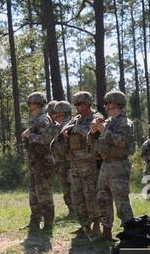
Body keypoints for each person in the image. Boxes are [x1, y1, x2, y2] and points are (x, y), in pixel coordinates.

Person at [90, 89, 134, 241]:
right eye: (106, 103)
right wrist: (93, 131)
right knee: (102, 198)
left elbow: (123, 142)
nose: (106, 106)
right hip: (105, 164)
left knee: (121, 201)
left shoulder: (125, 123)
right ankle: (106, 233)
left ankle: (130, 235)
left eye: (109, 103)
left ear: (118, 104)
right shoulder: (107, 122)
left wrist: (103, 131)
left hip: (119, 164)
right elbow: (94, 142)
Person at [63, 91, 100, 241]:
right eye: (76, 104)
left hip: (89, 164)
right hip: (75, 164)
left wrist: (77, 129)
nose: (78, 107)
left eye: (80, 104)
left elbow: (94, 132)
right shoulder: (75, 119)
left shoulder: (96, 118)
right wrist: (65, 131)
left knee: (91, 196)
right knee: (76, 197)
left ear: (88, 103)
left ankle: (96, 225)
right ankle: (85, 226)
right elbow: (64, 130)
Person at [21, 91, 60, 235]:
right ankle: (35, 221)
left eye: (31, 104)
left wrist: (29, 135)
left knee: (44, 193)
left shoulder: (43, 119)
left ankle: (48, 223)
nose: (29, 107)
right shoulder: (36, 119)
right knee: (34, 193)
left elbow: (45, 139)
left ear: (37, 104)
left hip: (43, 162)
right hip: (35, 161)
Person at [48, 100, 73, 217]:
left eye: (57, 113)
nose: (55, 115)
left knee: (71, 189)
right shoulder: (60, 126)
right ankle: (72, 212)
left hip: (68, 163)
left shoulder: (68, 125)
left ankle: (75, 212)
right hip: (61, 163)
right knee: (67, 190)